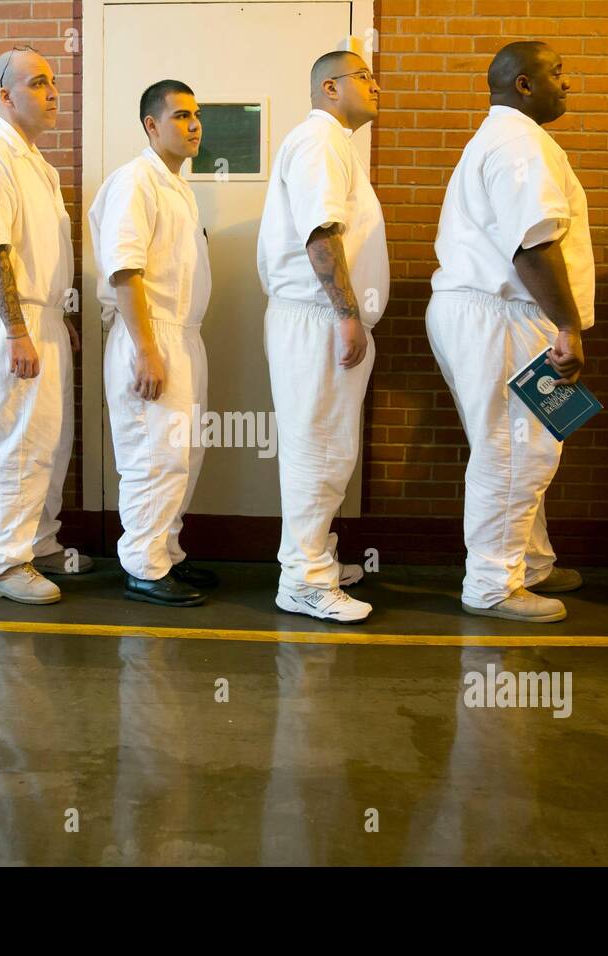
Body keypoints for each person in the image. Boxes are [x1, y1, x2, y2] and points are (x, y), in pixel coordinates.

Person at [425, 41, 590, 624]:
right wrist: (568, 325)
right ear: (524, 85)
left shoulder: (505, 138)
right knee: (518, 449)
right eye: (558, 74)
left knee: (524, 443)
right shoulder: (521, 142)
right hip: (503, 315)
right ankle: (494, 584)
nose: (568, 84)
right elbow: (533, 245)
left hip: (490, 314)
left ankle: (530, 562)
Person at [0, 48, 88, 605]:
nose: (53, 92)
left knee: (51, 443)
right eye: (38, 83)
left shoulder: (41, 165)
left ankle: (41, 541)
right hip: (15, 322)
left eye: (54, 82)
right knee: (19, 443)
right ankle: (6, 563)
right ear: (5, 96)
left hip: (43, 318)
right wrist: (17, 330)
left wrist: (57, 318)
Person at [256, 50, 387, 623]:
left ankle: (315, 560)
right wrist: (346, 313)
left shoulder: (334, 145)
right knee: (318, 450)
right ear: (330, 87)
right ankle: (304, 580)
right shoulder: (321, 143)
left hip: (321, 315)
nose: (376, 85)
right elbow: (320, 235)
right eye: (364, 76)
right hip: (318, 316)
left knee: (329, 448)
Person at [89, 79, 216, 607]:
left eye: (196, 115)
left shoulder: (176, 187)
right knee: (153, 454)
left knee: (183, 454)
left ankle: (165, 552)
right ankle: (143, 565)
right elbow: (125, 271)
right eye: (181, 115)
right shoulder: (136, 181)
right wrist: (146, 349)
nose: (193, 125)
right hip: (151, 333)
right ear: (151, 125)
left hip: (183, 334)